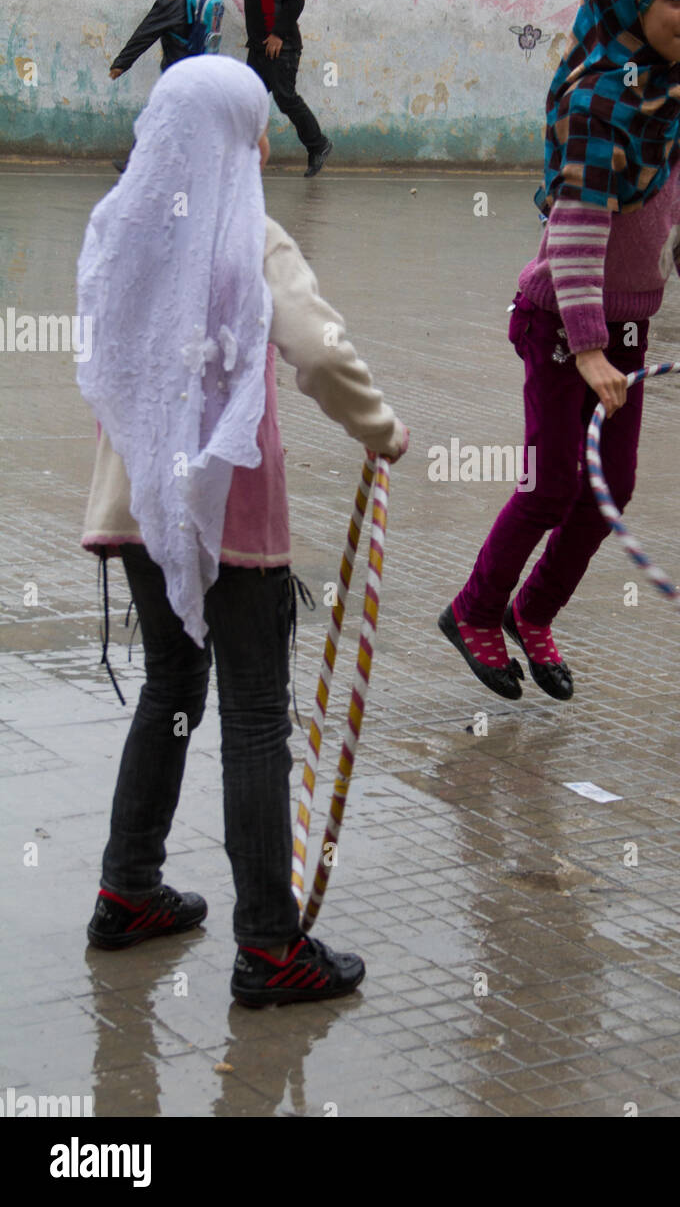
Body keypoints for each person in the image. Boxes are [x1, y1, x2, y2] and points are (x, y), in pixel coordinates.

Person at [77, 56, 407, 1006]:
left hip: (135, 511)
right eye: (255, 123)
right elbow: (319, 350)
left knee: (171, 687)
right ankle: (270, 946)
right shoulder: (247, 234)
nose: (264, 140)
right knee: (256, 714)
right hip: (227, 521)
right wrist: (383, 431)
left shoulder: (121, 232)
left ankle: (127, 891)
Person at [439, 0, 680, 702]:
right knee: (550, 483)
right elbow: (581, 228)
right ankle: (474, 610)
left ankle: (533, 612)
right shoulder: (596, 100)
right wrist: (587, 348)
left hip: (626, 331)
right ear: (632, 6)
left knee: (608, 489)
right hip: (559, 320)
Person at [242, 0, 332, 178]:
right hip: (260, 49)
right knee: (249, 99)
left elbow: (296, 1)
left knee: (285, 98)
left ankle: (319, 144)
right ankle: (242, 155)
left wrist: (278, 35)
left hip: (282, 48)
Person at [107, 0, 194, 172]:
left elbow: (144, 35)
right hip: (195, 74)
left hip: (176, 75)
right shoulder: (191, 2)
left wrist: (121, 63)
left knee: (154, 116)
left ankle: (135, 166)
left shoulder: (168, 3)